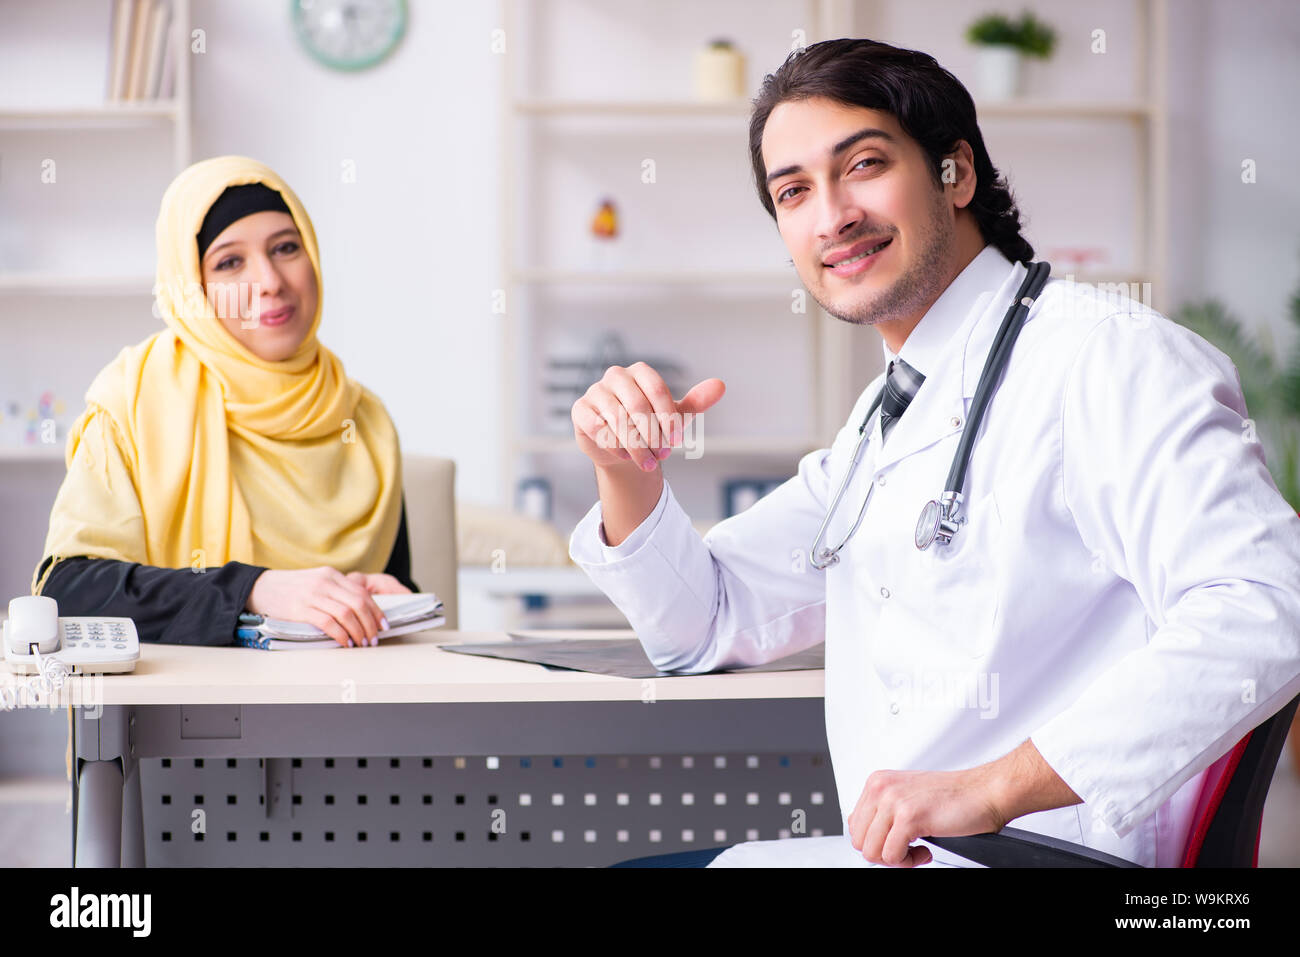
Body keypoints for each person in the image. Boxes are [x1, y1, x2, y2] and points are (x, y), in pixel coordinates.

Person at [568, 39, 1300, 867]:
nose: (832, 215)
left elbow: (1269, 604)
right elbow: (704, 623)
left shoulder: (1108, 357)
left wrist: (996, 784)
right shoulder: (891, 414)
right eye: (794, 191)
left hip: (1037, 853)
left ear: (955, 172)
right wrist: (625, 475)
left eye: (865, 164)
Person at [33, 155, 416, 650]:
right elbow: (68, 592)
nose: (271, 282)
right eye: (230, 262)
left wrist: (389, 603)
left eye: (285, 248)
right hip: (183, 717)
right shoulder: (132, 400)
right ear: (192, 287)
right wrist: (253, 590)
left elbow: (394, 614)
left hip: (345, 714)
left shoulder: (364, 421)